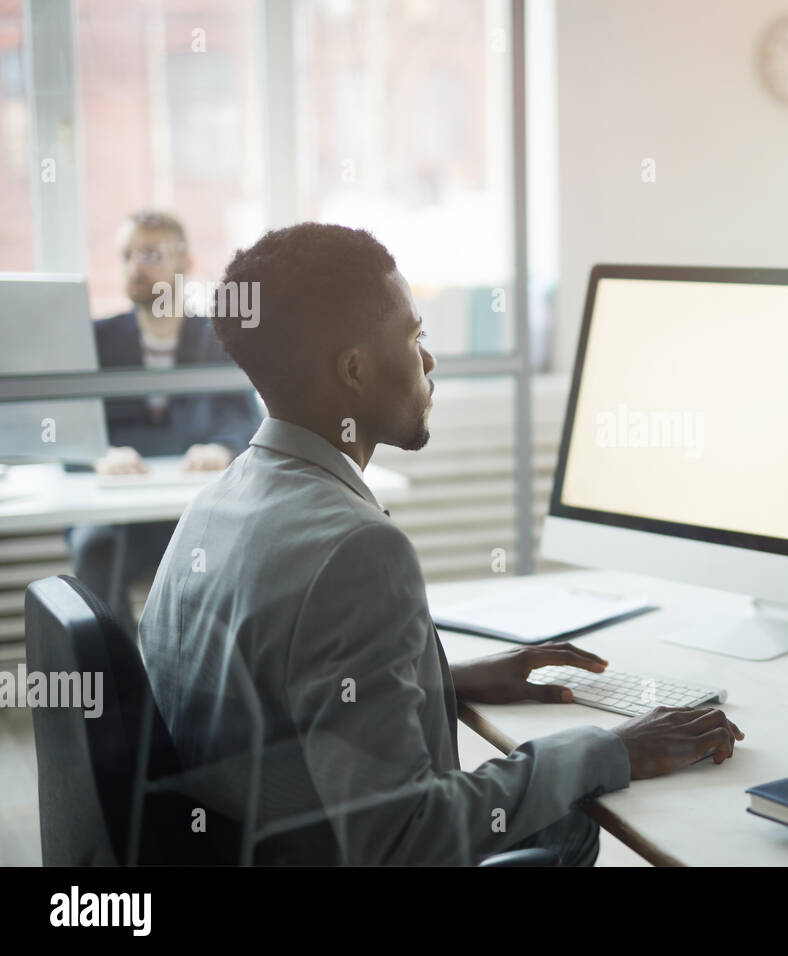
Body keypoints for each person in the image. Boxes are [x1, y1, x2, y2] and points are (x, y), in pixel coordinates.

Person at [138, 223, 744, 866]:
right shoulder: (357, 550)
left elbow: (271, 703)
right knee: (570, 822)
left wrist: (438, 681)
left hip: (250, 837)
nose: (428, 361)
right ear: (354, 370)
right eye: (414, 336)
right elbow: (404, 837)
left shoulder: (215, 503)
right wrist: (608, 747)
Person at [66, 211, 262, 633]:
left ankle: (197, 682)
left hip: (193, 509)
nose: (137, 265)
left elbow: (248, 418)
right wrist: (96, 453)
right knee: (95, 547)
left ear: (187, 264)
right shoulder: (95, 341)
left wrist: (223, 448)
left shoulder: (220, 336)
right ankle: (119, 688)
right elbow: (66, 428)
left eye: (151, 253)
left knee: (236, 554)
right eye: (127, 255)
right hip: (116, 514)